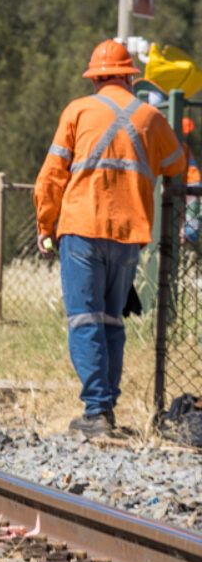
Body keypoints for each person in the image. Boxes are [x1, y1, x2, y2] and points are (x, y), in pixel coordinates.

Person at [34, 40, 185, 438]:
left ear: (96, 78)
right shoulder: (151, 116)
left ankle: (97, 412)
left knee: (85, 319)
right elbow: (177, 165)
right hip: (128, 234)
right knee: (109, 321)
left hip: (81, 228)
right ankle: (106, 408)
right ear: (129, 77)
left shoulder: (78, 111)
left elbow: (51, 177)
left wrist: (44, 228)